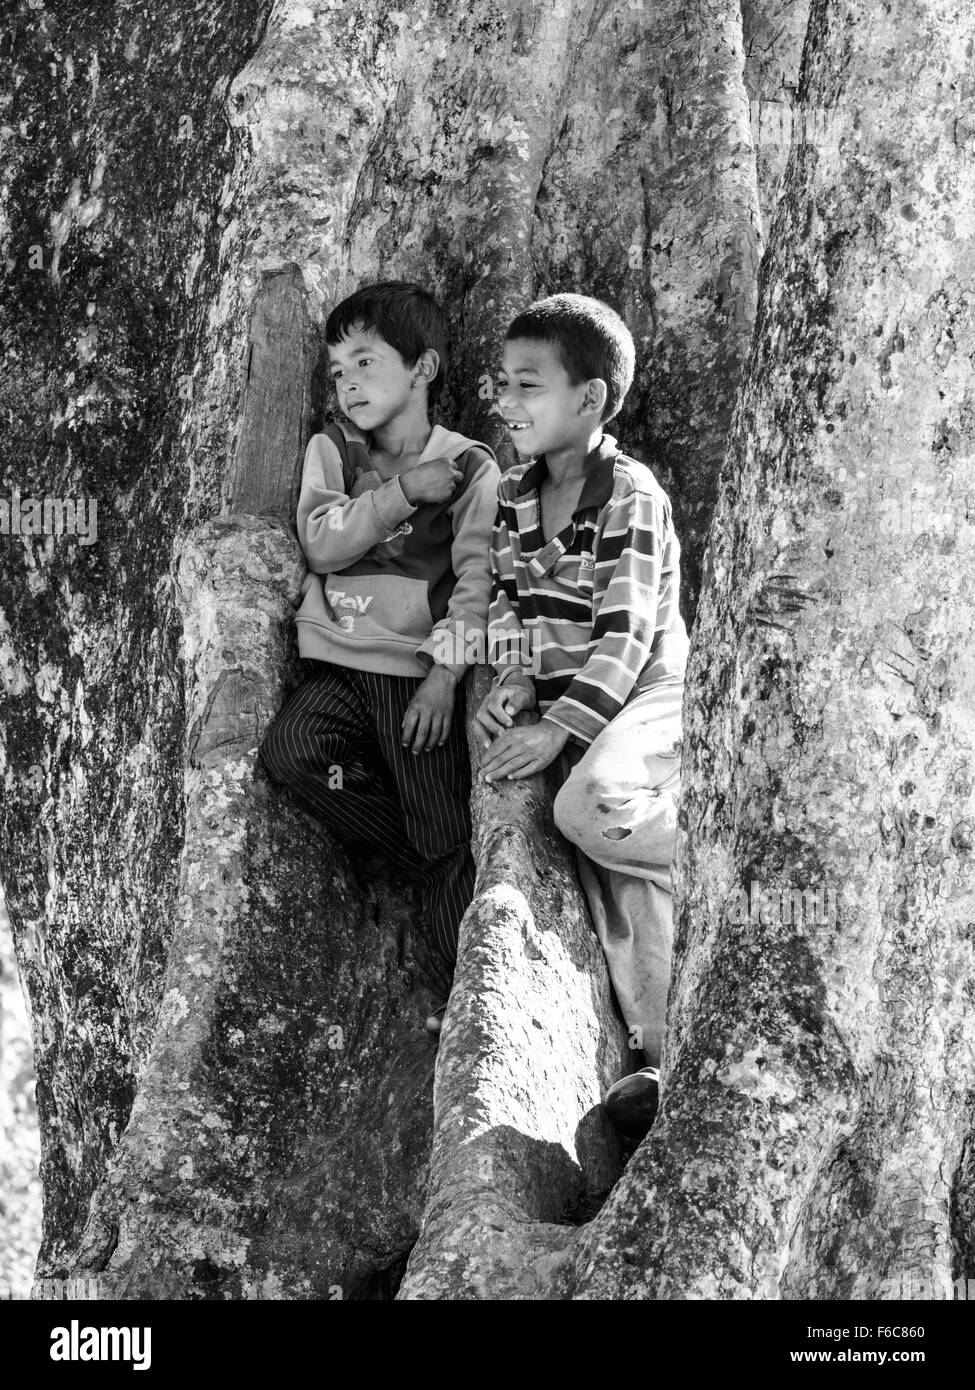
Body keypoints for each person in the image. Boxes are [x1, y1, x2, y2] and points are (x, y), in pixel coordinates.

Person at [475, 292, 688, 1140]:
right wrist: (516, 683)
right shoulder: (517, 494)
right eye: (502, 385)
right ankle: (656, 1059)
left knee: (588, 808)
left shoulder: (628, 495)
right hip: (577, 712)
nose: (506, 403)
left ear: (590, 400)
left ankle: (714, 850)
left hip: (646, 698)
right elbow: (505, 601)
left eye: (528, 385)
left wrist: (556, 732)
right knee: (611, 895)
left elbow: (627, 634)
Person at [260, 281, 499, 1022]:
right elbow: (322, 543)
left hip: (412, 679)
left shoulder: (468, 467)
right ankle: (413, 854)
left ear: (422, 369)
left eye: (366, 361)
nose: (349, 382)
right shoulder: (333, 450)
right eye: (337, 371)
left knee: (446, 833)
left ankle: (458, 1000)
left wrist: (443, 679)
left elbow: (476, 583)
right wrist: (401, 495)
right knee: (294, 753)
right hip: (338, 659)